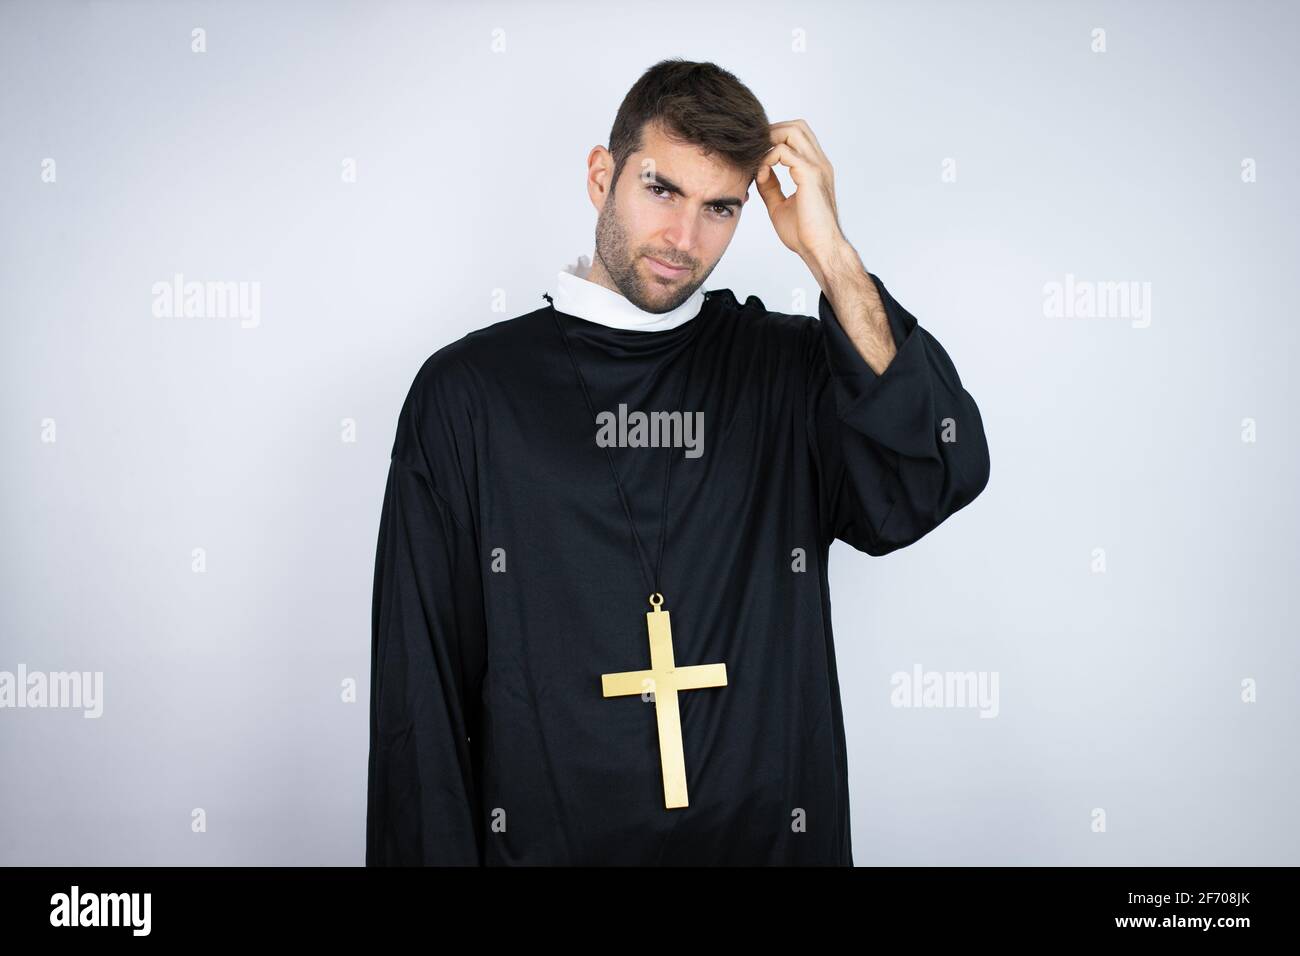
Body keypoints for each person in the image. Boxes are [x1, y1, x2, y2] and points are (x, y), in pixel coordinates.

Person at [367, 58, 990, 865]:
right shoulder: (469, 393)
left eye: (720, 209)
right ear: (602, 176)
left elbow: (937, 469)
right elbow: (422, 691)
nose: (684, 239)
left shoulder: (787, 374)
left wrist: (831, 257)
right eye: (662, 191)